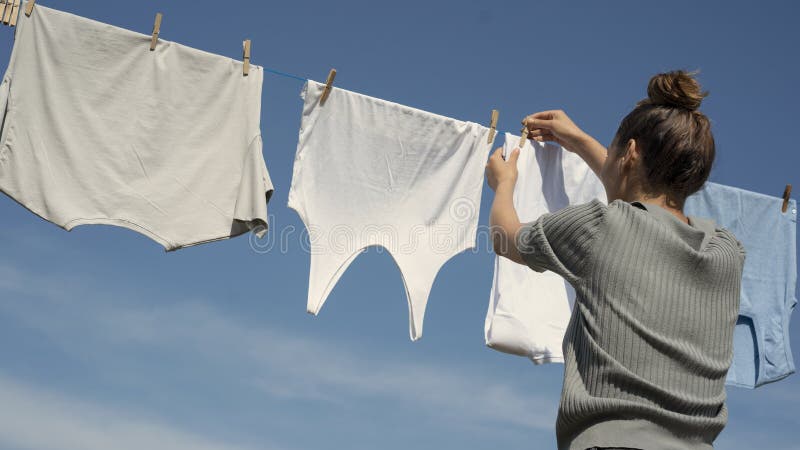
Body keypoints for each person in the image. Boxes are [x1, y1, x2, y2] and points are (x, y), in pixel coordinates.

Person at [485, 70, 745, 450]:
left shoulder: (598, 227)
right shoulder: (727, 252)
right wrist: (580, 142)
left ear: (631, 153)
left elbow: (503, 237)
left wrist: (503, 182)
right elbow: (642, 202)